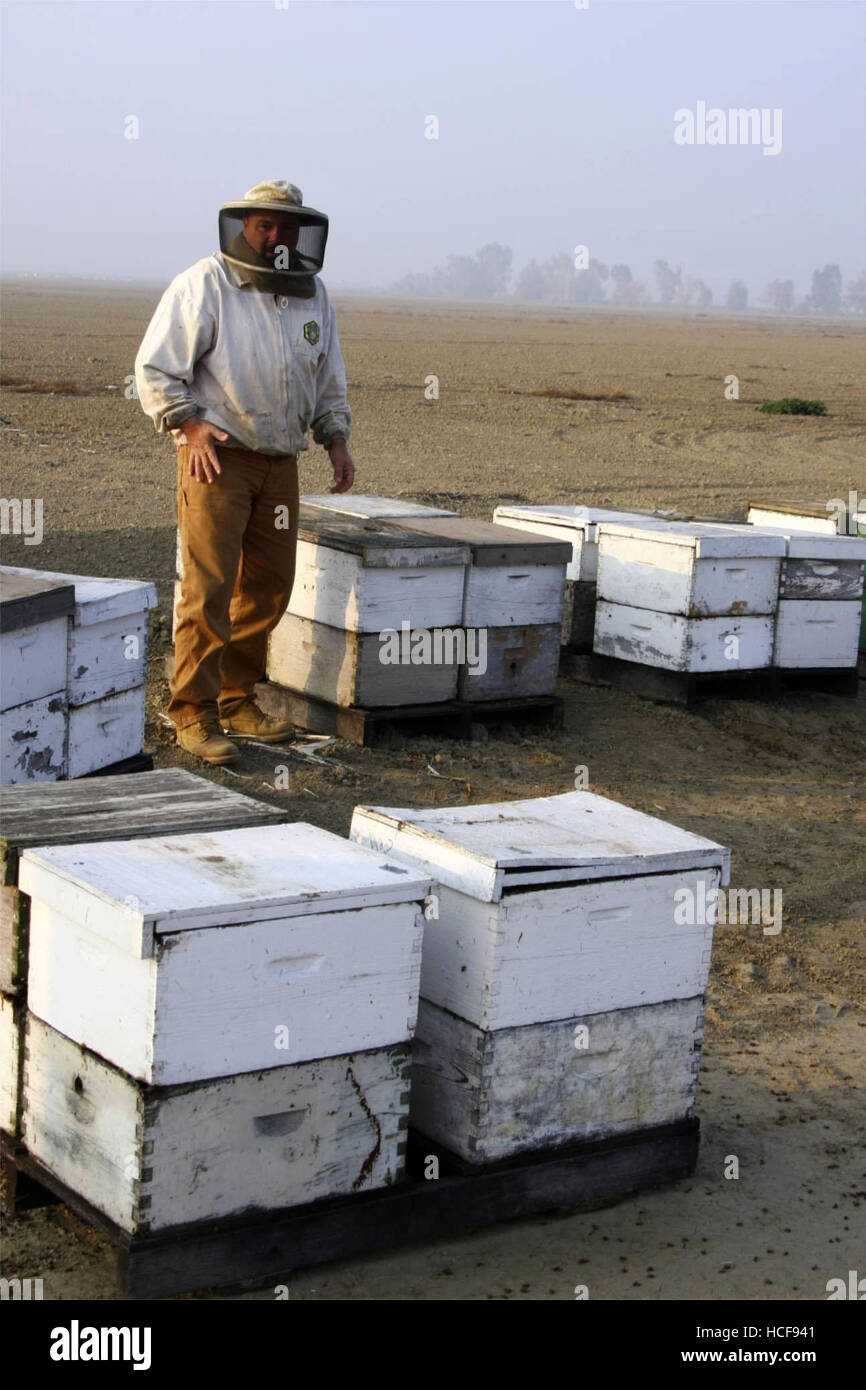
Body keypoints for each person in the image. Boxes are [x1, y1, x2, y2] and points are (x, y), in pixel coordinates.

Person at [135, 180, 354, 765]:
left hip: (280, 463)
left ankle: (236, 700)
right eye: (265, 226)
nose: (276, 237)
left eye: (286, 228)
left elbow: (327, 373)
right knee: (208, 586)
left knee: (268, 586)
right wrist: (188, 424)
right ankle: (192, 712)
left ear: (301, 233)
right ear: (243, 227)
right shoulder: (205, 284)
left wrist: (335, 436)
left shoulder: (312, 295)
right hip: (217, 459)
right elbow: (156, 369)